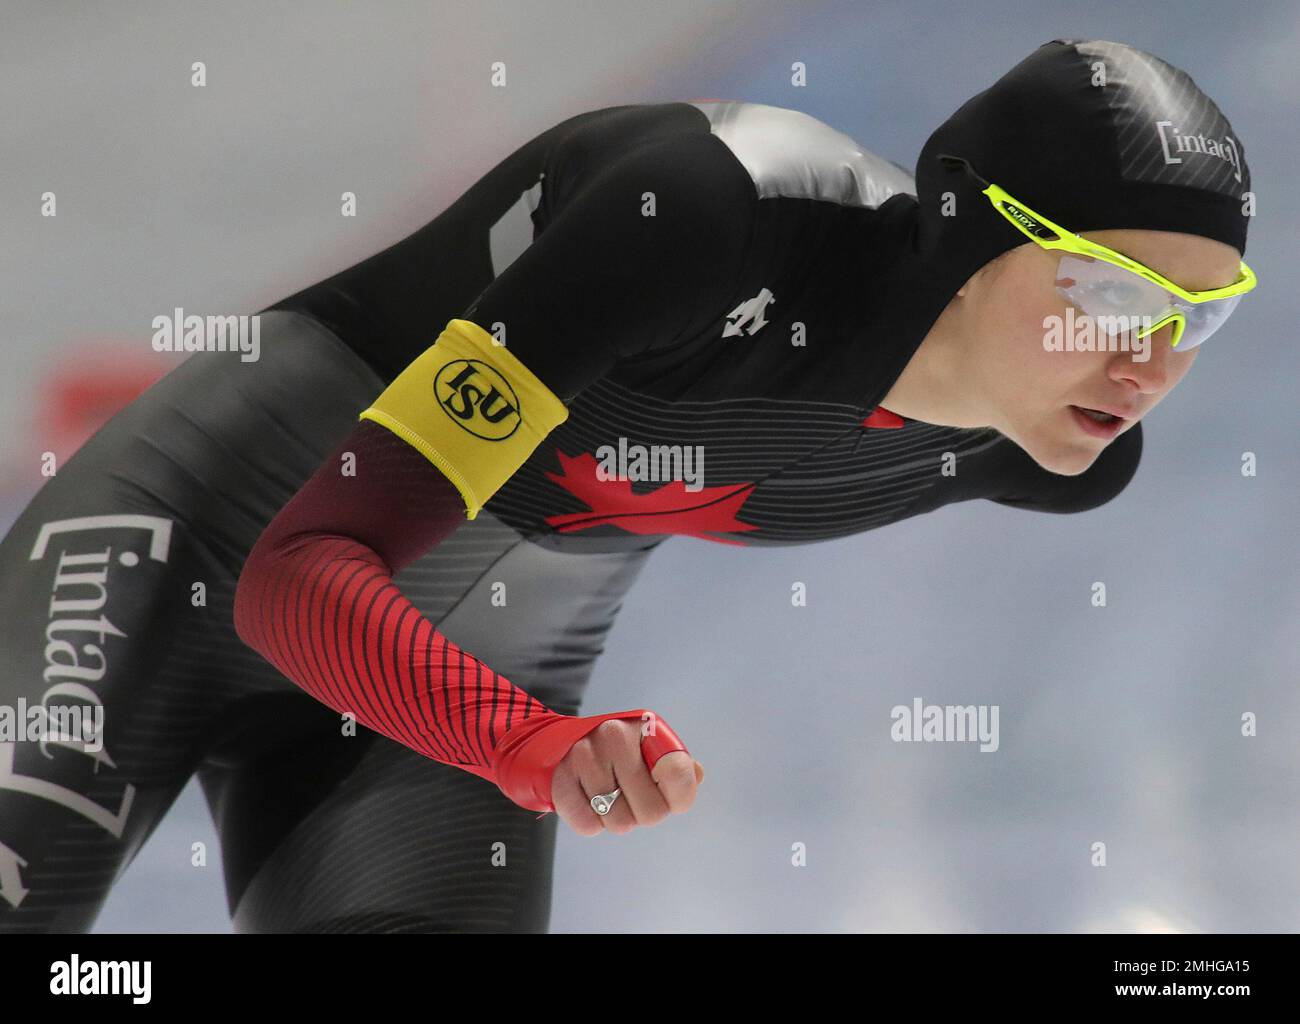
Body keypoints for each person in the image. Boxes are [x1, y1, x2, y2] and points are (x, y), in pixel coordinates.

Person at [0, 38, 1255, 933]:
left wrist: (519, 739)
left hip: (445, 699)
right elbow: (296, 573)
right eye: (1108, 292)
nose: (1147, 364)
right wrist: (538, 747)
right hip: (197, 556)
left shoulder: (1050, 451)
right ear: (973, 233)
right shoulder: (711, 217)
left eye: (1196, 319)